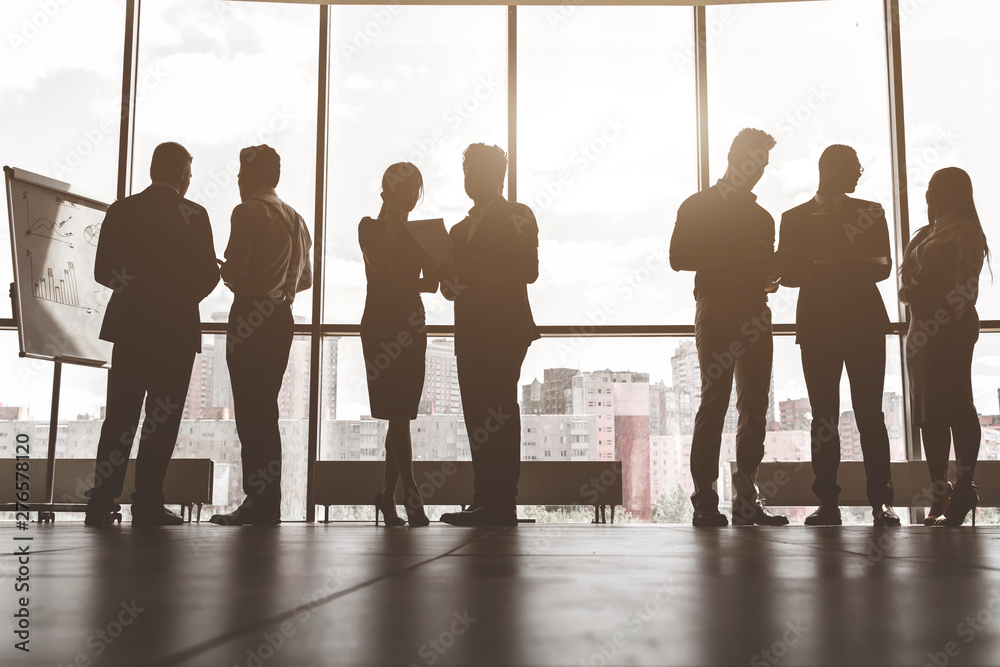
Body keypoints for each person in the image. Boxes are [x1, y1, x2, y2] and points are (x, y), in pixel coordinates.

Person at [85, 142, 219, 526]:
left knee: (121, 417)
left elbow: (102, 271)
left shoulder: (122, 210)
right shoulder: (195, 215)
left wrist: (138, 287)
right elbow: (209, 275)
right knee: (162, 419)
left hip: (130, 328)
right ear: (181, 175)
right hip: (175, 331)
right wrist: (179, 293)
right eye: (189, 175)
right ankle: (147, 501)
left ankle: (102, 500)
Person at [669, 128, 788, 527]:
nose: (760, 173)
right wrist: (740, 256)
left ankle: (741, 498)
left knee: (753, 407)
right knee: (716, 403)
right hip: (719, 308)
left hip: (753, 308)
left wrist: (773, 273)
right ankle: (707, 499)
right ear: (737, 158)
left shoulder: (761, 217)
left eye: (765, 166)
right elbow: (677, 257)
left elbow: (764, 276)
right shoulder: (699, 206)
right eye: (757, 163)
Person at [777, 145, 899, 527]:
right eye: (854, 166)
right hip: (826, 324)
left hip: (851, 322)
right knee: (823, 418)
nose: (860, 172)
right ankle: (828, 503)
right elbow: (787, 275)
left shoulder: (871, 211)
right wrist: (822, 269)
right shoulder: (794, 218)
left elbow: (884, 268)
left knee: (870, 416)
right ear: (830, 169)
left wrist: (835, 268)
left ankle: (881, 502)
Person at [210, 145, 312, 526]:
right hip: (281, 318)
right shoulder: (297, 219)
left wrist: (223, 270)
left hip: (250, 315)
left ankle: (257, 501)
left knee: (251, 415)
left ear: (249, 176)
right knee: (267, 411)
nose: (238, 180)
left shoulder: (248, 211)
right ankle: (270, 502)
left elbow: (237, 270)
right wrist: (278, 287)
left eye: (240, 173)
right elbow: (306, 279)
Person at [439, 143, 539, 527]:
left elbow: (526, 269)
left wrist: (467, 265)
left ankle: (503, 502)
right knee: (476, 413)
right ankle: (485, 499)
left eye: (476, 173)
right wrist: (449, 280)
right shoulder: (458, 229)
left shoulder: (519, 215)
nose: (470, 180)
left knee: (498, 410)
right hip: (469, 330)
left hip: (504, 329)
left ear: (496, 177)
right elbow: (452, 287)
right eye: (467, 173)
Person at [900, 167, 988, 526]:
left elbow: (966, 288)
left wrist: (927, 295)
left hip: (950, 328)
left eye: (941, 187)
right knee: (928, 412)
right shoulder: (924, 233)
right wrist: (917, 296)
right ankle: (941, 491)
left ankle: (964, 486)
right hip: (920, 330)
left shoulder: (965, 231)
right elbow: (906, 284)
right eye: (931, 185)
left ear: (956, 192)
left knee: (956, 404)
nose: (931, 192)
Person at [360, 163, 437, 527]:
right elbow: (381, 262)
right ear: (388, 193)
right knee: (398, 413)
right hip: (380, 326)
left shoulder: (420, 233)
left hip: (409, 324)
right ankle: (411, 493)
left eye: (413, 193)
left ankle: (389, 497)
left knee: (401, 413)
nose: (409, 200)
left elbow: (433, 283)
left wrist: (437, 255)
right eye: (405, 192)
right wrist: (393, 222)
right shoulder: (369, 227)